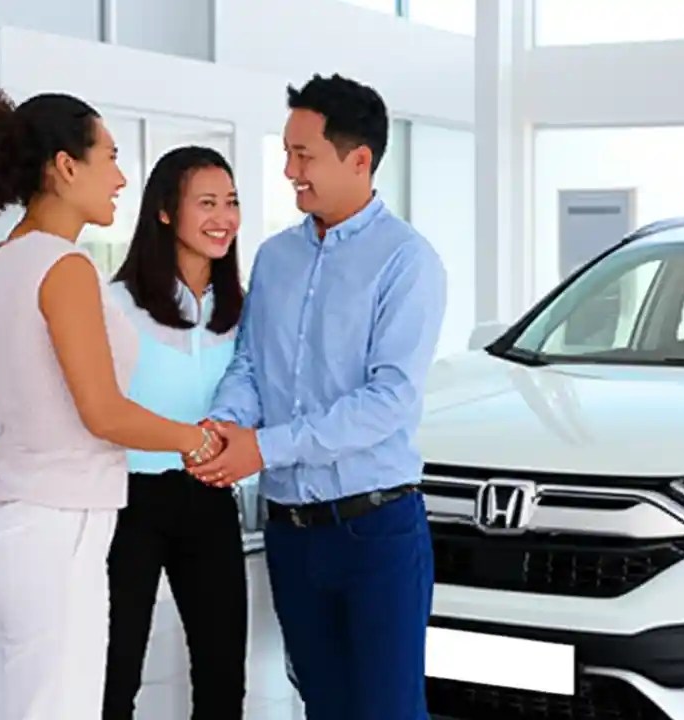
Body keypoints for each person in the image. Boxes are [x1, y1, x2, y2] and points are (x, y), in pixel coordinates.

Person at [0, 88, 224, 719]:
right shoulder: (65, 267)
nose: (121, 179)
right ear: (66, 166)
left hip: (10, 523)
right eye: (110, 157)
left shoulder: (7, 258)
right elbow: (104, 412)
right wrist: (196, 440)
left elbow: (3, 390)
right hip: (58, 530)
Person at [187, 72, 447, 719]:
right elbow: (251, 364)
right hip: (291, 534)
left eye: (303, 155)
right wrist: (223, 427)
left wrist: (264, 448)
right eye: (287, 153)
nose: (288, 171)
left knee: (388, 712)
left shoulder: (407, 260)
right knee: (323, 709)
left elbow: (389, 398)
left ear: (359, 160)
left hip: (375, 531)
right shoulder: (275, 257)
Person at [101, 146, 248, 719]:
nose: (224, 218)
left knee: (222, 677)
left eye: (231, 202)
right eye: (206, 203)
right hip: (127, 502)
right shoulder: (115, 305)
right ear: (165, 211)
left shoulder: (242, 308)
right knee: (115, 677)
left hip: (209, 496)